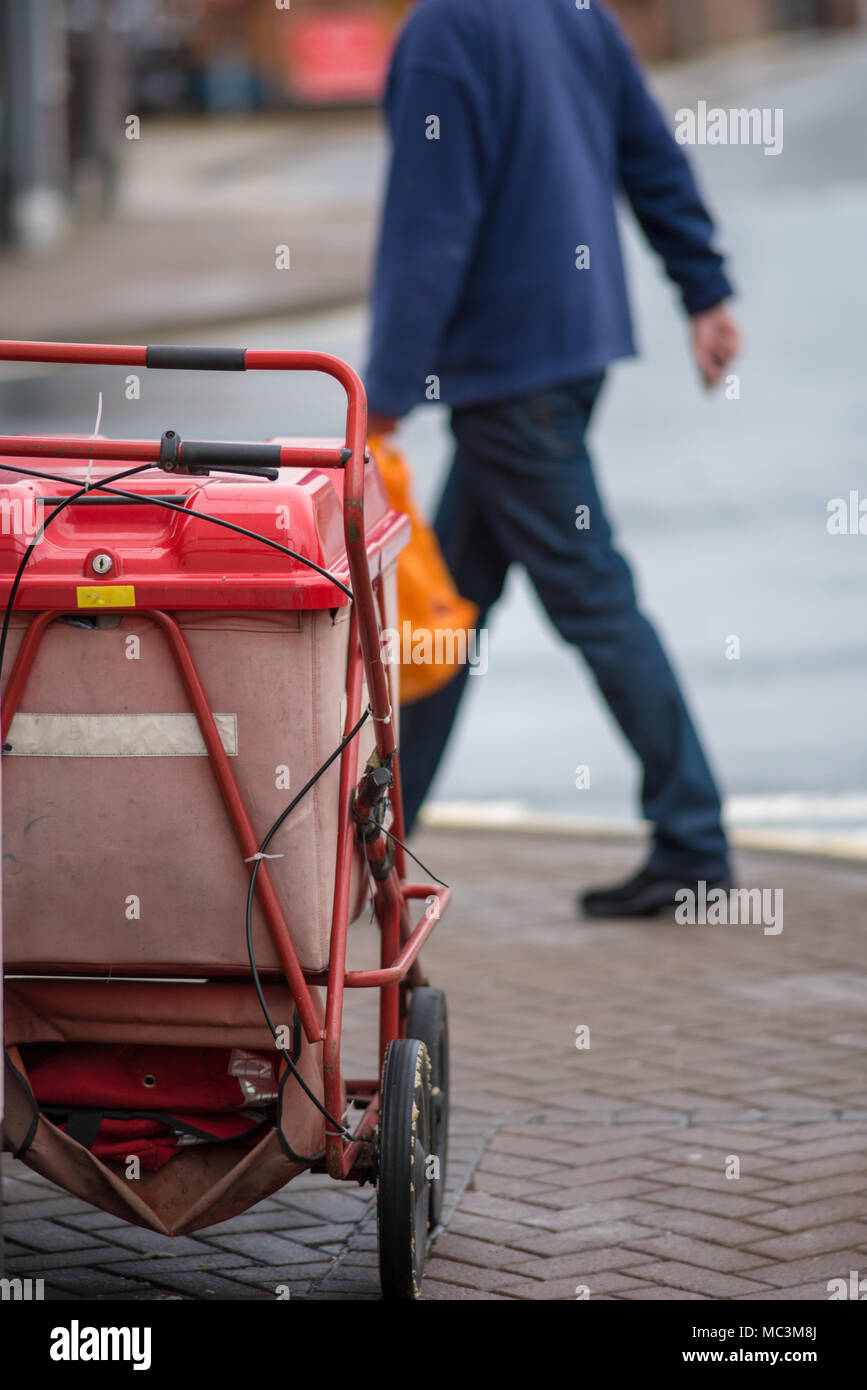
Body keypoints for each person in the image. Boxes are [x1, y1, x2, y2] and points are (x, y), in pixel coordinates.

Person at [365, 0, 741, 918]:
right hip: (566, 356)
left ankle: (692, 837)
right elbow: (648, 149)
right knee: (447, 601)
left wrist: (382, 393)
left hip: (511, 371)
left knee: (592, 599)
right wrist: (704, 286)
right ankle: (375, 840)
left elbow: (430, 223)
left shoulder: (447, 32)